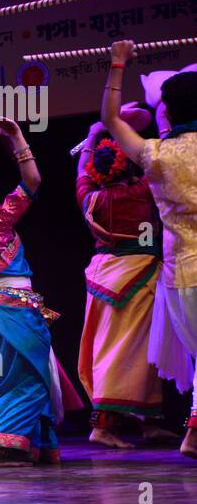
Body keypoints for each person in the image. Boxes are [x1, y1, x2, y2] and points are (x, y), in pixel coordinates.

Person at [100, 46, 196, 459]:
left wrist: (118, 63)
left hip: (181, 279)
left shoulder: (155, 156)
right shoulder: (156, 153)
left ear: (168, 112)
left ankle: (194, 433)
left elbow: (110, 119)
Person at [0, 118, 65, 466]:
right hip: (17, 313)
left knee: (4, 376)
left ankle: (24, 445)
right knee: (29, 377)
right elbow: (32, 182)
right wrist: (17, 139)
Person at [74, 117, 168, 449]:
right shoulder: (143, 191)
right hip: (137, 274)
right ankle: (103, 425)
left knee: (136, 349)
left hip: (103, 274)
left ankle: (150, 421)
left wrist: (92, 134)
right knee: (127, 350)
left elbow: (82, 171)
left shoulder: (89, 196)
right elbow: (155, 164)